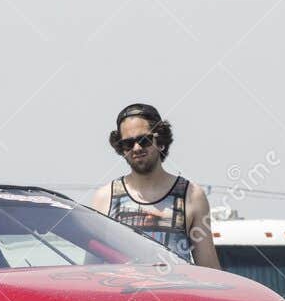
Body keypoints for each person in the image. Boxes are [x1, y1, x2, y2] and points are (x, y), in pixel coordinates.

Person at [91, 102, 220, 268]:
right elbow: (92, 269)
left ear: (160, 141)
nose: (136, 148)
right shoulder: (105, 197)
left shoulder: (191, 196)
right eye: (128, 143)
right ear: (121, 149)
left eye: (144, 140)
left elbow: (209, 269)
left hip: (176, 285)